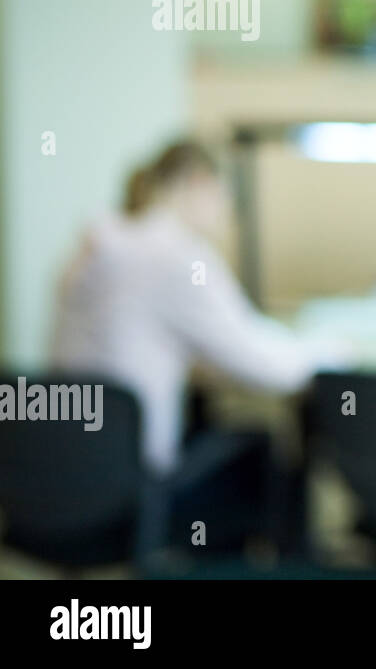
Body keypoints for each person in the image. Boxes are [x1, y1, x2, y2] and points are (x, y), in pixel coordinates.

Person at [49, 138, 352, 555]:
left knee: (211, 422)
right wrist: (328, 352)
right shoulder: (178, 256)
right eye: (224, 198)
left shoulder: (98, 243)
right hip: (136, 490)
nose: (224, 213)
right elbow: (267, 368)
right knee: (264, 449)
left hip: (59, 473)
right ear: (200, 182)